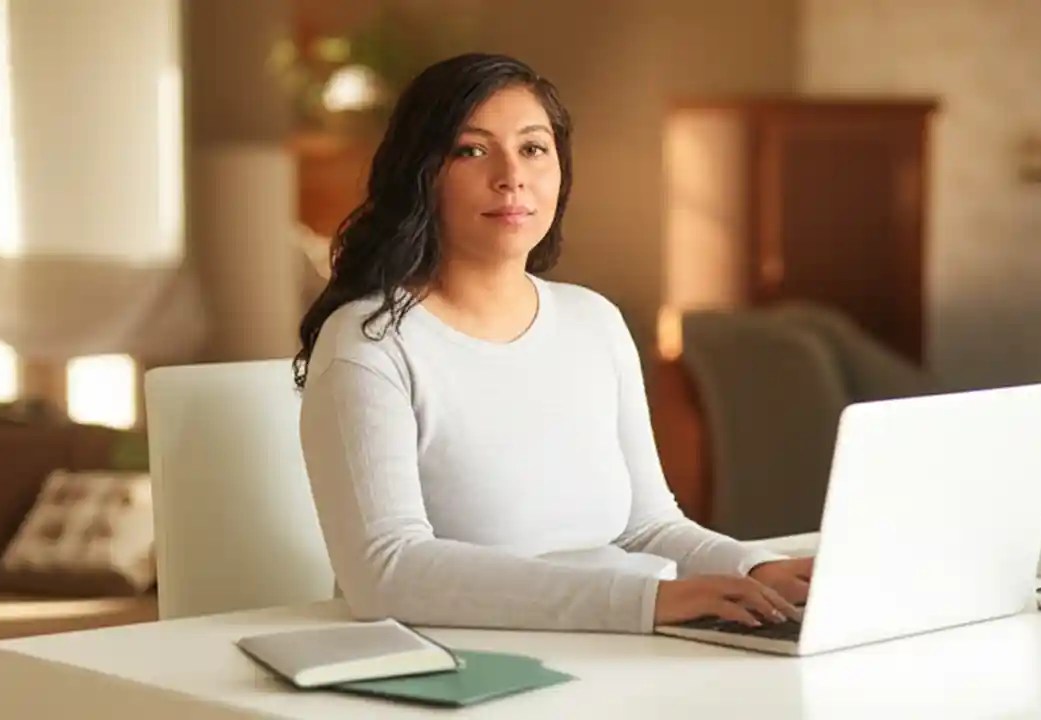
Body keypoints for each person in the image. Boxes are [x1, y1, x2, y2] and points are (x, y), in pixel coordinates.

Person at [295, 53, 812, 634]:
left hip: (620, 655)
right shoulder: (370, 344)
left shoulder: (593, 321)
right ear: (420, 173)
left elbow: (646, 527)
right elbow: (384, 571)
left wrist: (758, 568)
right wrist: (644, 600)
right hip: (457, 670)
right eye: (472, 150)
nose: (511, 175)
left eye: (533, 148)